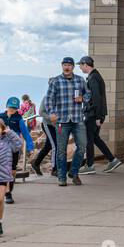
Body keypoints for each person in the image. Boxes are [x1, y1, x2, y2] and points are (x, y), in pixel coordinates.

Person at [45, 57, 88, 186]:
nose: (67, 67)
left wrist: (82, 98)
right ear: (62, 66)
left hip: (77, 119)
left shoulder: (80, 80)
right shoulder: (56, 81)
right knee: (61, 150)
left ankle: (74, 172)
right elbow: (49, 99)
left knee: (82, 147)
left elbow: (89, 94)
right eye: (64, 65)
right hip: (62, 121)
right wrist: (51, 113)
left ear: (73, 67)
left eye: (69, 65)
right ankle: (62, 176)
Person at [78, 55, 122, 174]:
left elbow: (97, 98)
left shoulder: (93, 78)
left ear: (85, 65)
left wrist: (98, 117)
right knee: (95, 139)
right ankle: (112, 160)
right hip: (95, 113)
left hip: (92, 114)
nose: (80, 68)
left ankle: (90, 165)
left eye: (81, 65)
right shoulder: (95, 76)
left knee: (89, 139)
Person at [0, 97, 30, 203]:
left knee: (12, 170)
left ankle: (9, 188)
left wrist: (29, 145)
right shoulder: (0, 117)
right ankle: (8, 193)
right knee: (6, 169)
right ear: (7, 106)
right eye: (11, 107)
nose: (12, 109)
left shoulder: (18, 118)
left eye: (15, 108)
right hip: (2, 148)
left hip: (14, 148)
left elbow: (25, 132)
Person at [31, 86, 56, 177]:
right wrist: (51, 117)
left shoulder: (60, 96)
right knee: (55, 146)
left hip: (56, 125)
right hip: (48, 124)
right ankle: (55, 169)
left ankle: (36, 164)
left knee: (49, 145)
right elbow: (41, 112)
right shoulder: (47, 97)